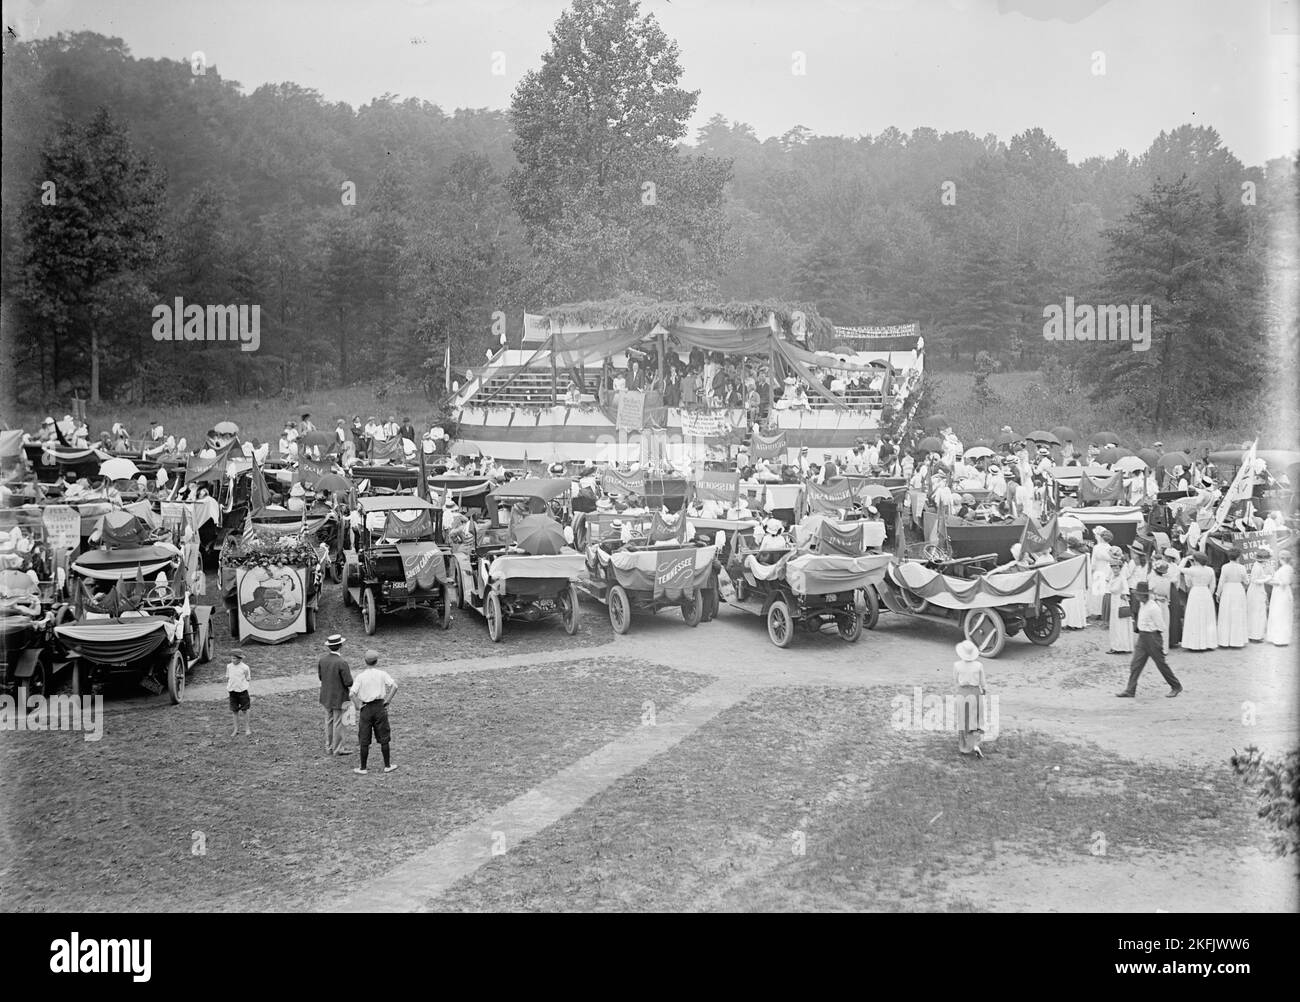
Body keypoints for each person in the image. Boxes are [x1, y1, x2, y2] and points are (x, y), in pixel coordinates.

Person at [1116, 581, 1182, 698]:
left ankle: (1176, 686)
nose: (1136, 597)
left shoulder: (1153, 608)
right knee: (1135, 664)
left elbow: (1161, 626)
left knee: (1161, 664)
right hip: (1143, 637)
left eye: (1138, 595)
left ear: (1144, 595)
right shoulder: (1143, 605)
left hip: (1152, 637)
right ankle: (1130, 690)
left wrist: (1154, 636)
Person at [349, 649, 398, 775]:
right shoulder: (382, 674)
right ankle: (387, 765)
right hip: (379, 707)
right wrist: (387, 701)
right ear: (376, 661)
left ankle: (363, 767)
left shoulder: (360, 676)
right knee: (384, 737)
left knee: (364, 738)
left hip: (366, 709)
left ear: (365, 662)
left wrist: (358, 706)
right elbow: (394, 686)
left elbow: (352, 694)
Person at [318, 634, 353, 756]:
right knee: (339, 722)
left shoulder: (322, 660)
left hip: (326, 696)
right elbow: (348, 682)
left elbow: (321, 677)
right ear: (340, 646)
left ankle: (329, 747)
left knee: (329, 721)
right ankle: (338, 748)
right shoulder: (342, 662)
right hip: (339, 697)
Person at [952, 640, 987, 757]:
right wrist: (984, 690)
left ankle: (965, 747)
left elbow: (956, 681)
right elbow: (983, 682)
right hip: (975, 692)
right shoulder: (978, 665)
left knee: (963, 720)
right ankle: (975, 743)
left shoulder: (957, 665)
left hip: (963, 692)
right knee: (975, 719)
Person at [1180, 550, 1219, 651]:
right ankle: (1208, 643)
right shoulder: (1210, 570)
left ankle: (1194, 644)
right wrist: (1209, 594)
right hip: (1206, 592)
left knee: (1194, 616)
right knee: (1207, 617)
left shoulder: (1192, 569)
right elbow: (1213, 585)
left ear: (1196, 560)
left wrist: (1185, 559)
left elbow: (1179, 569)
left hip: (1195, 592)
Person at [1214, 548, 1249, 648]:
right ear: (1238, 557)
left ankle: (1225, 640)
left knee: (1227, 613)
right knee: (1237, 613)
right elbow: (1246, 581)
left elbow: (1221, 582)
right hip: (1238, 589)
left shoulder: (1225, 567)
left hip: (1228, 590)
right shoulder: (1242, 567)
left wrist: (1218, 593)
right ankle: (1237, 640)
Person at [1107, 553, 1134, 654]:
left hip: (1120, 602)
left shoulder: (1121, 578)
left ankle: (1120, 646)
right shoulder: (1113, 577)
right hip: (1114, 601)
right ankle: (1116, 645)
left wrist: (1123, 594)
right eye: (1113, 568)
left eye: (1117, 568)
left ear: (1120, 568)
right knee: (1115, 623)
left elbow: (1117, 589)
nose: (1115, 570)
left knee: (1120, 623)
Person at [1265, 551, 1293, 646]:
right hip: (1279, 592)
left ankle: (1281, 639)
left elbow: (1284, 582)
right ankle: (1276, 637)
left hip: (1282, 593)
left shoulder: (1285, 569)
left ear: (1283, 559)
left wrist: (1269, 581)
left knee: (1281, 614)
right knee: (1278, 614)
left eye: (1280, 558)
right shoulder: (1286, 568)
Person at [1087, 528, 1113, 619]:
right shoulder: (1110, 548)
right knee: (1104, 591)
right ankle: (1103, 611)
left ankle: (1096, 611)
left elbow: (1093, 563)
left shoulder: (1096, 548)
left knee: (1097, 592)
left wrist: (1091, 571)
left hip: (1098, 570)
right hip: (1107, 570)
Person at [1246, 551, 1271, 642]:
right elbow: (1255, 580)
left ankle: (1255, 635)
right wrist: (1267, 578)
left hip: (1257, 590)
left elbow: (1260, 576)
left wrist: (1266, 576)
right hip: (1255, 591)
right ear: (1263, 560)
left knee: (1258, 613)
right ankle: (1254, 636)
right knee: (1256, 613)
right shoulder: (1257, 567)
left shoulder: (1258, 566)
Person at [226, 649, 252, 736]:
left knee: (245, 710)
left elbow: (248, 678)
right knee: (234, 710)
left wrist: (242, 685)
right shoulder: (229, 666)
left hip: (242, 692)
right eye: (232, 658)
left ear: (240, 659)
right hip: (232, 691)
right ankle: (236, 729)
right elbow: (228, 677)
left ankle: (247, 729)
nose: (233, 660)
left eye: (235, 659)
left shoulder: (245, 667)